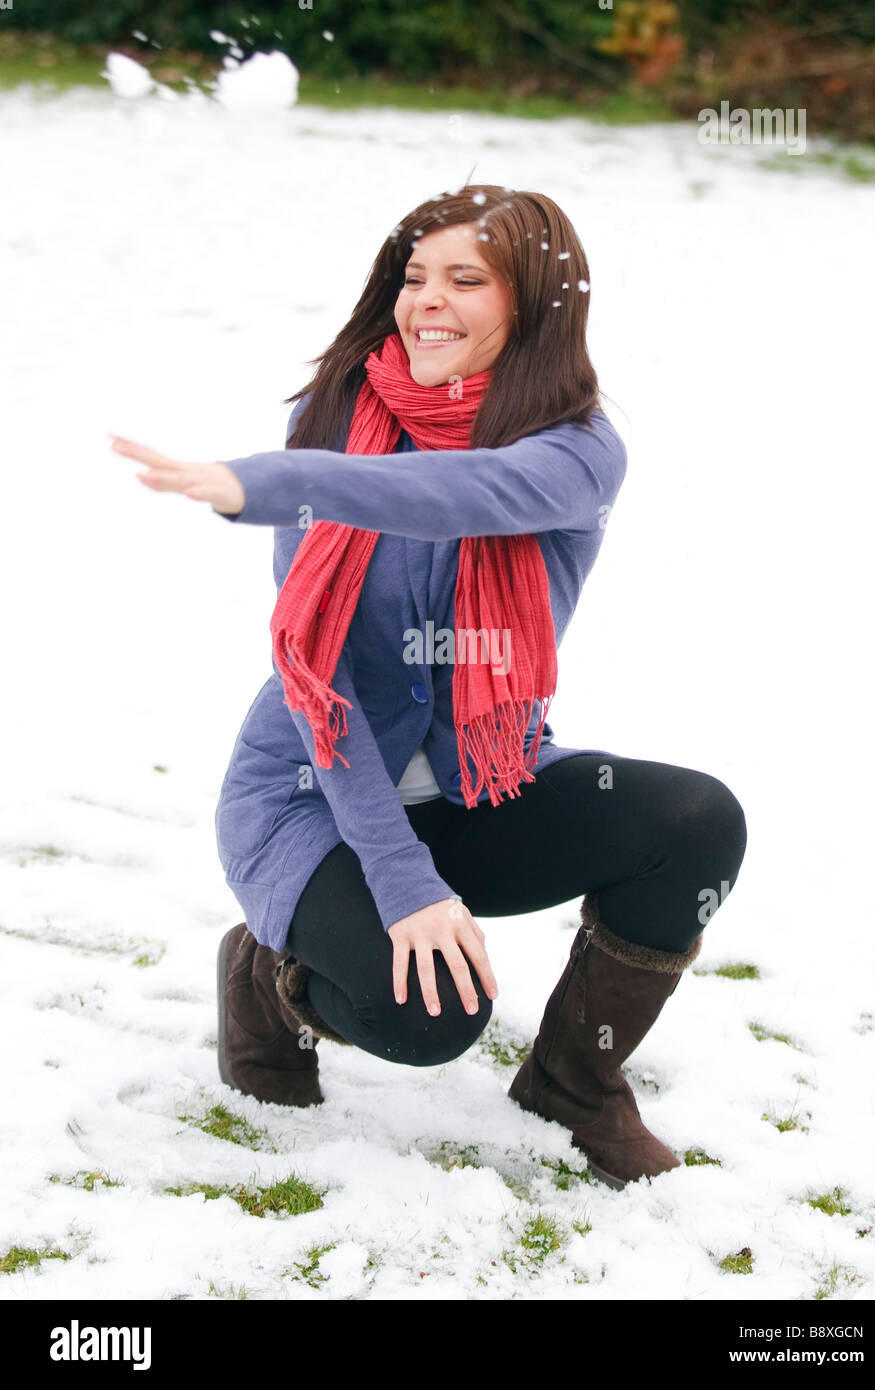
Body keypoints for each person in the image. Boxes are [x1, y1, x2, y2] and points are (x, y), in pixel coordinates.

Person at [109, 184, 747, 1189]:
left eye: (464, 280)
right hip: (314, 792)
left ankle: (572, 1085)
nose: (425, 303)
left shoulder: (572, 454)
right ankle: (267, 979)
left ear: (532, 303)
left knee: (695, 819)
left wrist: (281, 478)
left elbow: (457, 495)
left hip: (478, 779)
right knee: (427, 1020)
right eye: (413, 278)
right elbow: (320, 678)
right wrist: (402, 884)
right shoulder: (331, 420)